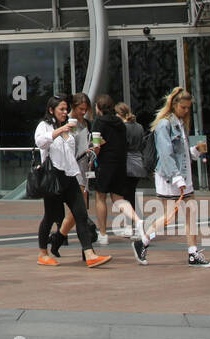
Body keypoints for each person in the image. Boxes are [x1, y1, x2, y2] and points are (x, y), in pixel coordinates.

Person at [37, 95, 110, 268]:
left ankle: (89, 253)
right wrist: (59, 131)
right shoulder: (44, 126)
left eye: (65, 109)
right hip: (53, 177)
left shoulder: (69, 127)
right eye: (61, 109)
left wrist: (92, 150)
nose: (64, 112)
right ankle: (42, 253)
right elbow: (40, 142)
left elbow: (71, 153)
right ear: (51, 110)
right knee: (50, 216)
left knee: (81, 214)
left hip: (70, 175)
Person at [151, 86, 210, 267]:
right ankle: (144, 239)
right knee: (169, 216)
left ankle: (193, 252)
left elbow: (181, 154)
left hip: (182, 177)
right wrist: (176, 177)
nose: (186, 111)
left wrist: (194, 151)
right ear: (174, 105)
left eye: (188, 108)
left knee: (191, 213)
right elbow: (166, 154)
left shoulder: (179, 123)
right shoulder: (165, 124)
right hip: (169, 177)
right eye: (183, 108)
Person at [90, 94, 150, 264]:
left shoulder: (99, 122)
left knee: (100, 196)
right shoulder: (120, 123)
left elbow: (96, 146)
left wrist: (95, 150)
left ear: (99, 108)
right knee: (118, 198)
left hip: (105, 164)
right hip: (120, 164)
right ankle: (138, 221)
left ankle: (103, 235)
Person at [48, 93, 94, 254]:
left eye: (85, 109)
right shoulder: (66, 124)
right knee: (80, 211)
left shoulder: (87, 123)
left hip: (85, 166)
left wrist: (94, 147)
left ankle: (58, 238)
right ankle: (87, 250)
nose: (83, 112)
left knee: (79, 211)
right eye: (80, 109)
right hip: (72, 169)